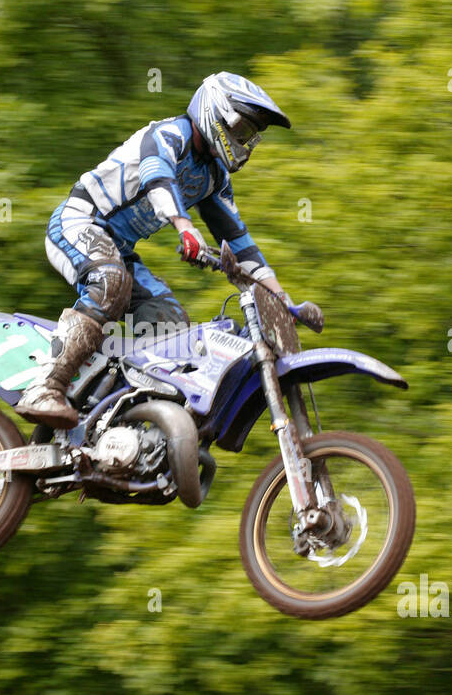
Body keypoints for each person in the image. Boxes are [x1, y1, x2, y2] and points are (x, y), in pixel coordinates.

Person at [16, 72, 294, 428]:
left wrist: (284, 301)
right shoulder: (168, 134)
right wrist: (184, 225)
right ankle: (46, 385)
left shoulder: (215, 179)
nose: (244, 141)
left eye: (250, 135)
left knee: (172, 326)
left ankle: (112, 420)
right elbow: (155, 174)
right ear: (216, 112)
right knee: (110, 282)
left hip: (119, 250)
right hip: (78, 222)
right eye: (241, 129)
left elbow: (241, 245)